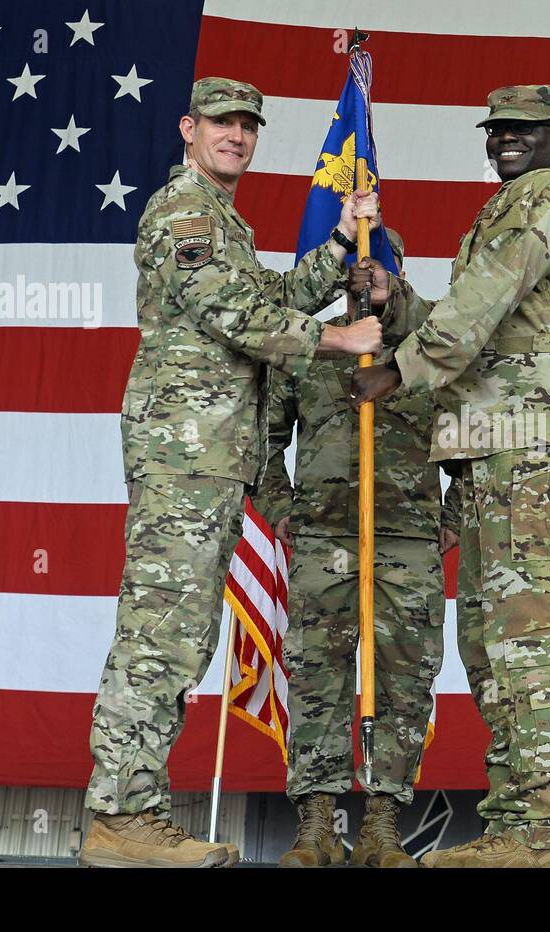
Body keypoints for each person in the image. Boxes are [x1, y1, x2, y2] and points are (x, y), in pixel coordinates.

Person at [79, 77, 383, 868]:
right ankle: (120, 815)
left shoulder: (223, 221)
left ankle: (132, 814)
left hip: (210, 457)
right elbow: (238, 317)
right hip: (185, 453)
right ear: (189, 128)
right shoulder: (184, 211)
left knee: (179, 635)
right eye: (222, 122)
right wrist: (338, 344)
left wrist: (340, 241)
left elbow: (271, 294)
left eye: (249, 124)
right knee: (159, 635)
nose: (237, 135)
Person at [350, 85, 550, 868]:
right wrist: (396, 301)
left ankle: (542, 834)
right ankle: (518, 825)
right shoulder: (501, 210)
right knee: (492, 640)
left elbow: (491, 293)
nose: (507, 139)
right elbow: (487, 311)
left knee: (535, 636)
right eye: (497, 129)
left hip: (538, 437)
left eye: (525, 129)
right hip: (490, 444)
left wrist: (400, 370)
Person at [253, 230, 461, 868]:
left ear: (396, 272)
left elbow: (474, 430)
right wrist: (283, 511)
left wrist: (452, 514)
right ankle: (315, 826)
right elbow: (264, 440)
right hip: (326, 535)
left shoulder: (431, 351)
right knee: (319, 675)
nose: (361, 273)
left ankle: (382, 828)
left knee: (405, 676)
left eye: (376, 264)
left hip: (407, 537)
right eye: (352, 262)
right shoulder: (309, 349)